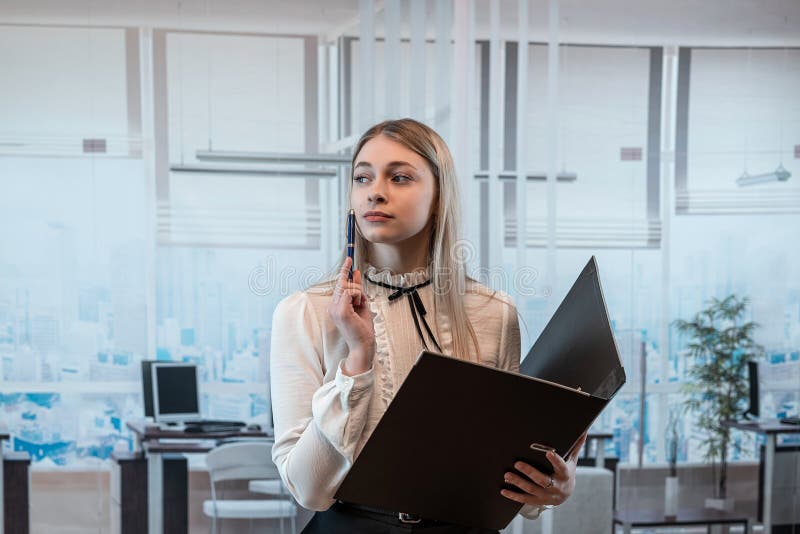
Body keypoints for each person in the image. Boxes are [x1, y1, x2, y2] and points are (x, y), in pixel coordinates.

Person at [270, 118, 585, 533]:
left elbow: (504, 469)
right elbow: (309, 491)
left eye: (399, 177)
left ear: (439, 198)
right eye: (362, 177)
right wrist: (358, 359)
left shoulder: (494, 312)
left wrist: (551, 488)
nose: (375, 191)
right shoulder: (305, 312)